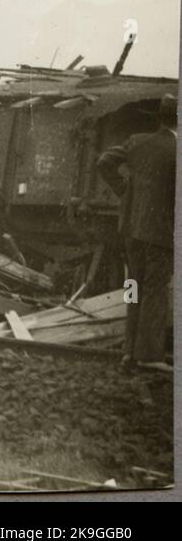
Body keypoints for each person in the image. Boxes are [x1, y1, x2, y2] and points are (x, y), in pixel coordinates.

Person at [96, 95, 177, 371]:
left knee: (135, 288)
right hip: (161, 231)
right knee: (155, 290)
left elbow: (104, 162)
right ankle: (150, 356)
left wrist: (124, 191)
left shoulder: (138, 141)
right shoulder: (176, 148)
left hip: (132, 228)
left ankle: (129, 351)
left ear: (159, 118)